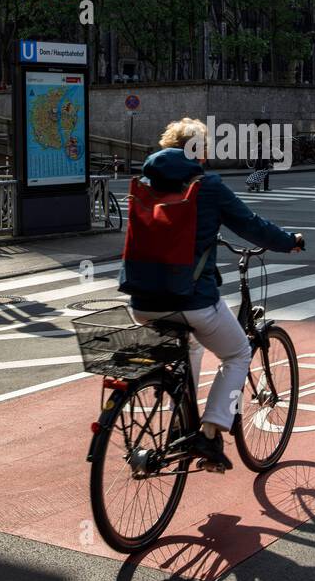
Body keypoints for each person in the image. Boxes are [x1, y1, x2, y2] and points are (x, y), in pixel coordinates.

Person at [120, 117, 304, 473]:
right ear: (199, 153)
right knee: (237, 353)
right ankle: (208, 432)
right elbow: (252, 226)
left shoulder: (145, 182)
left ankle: (180, 425)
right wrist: (289, 242)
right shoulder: (208, 185)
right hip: (191, 301)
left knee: (188, 349)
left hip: (141, 302)